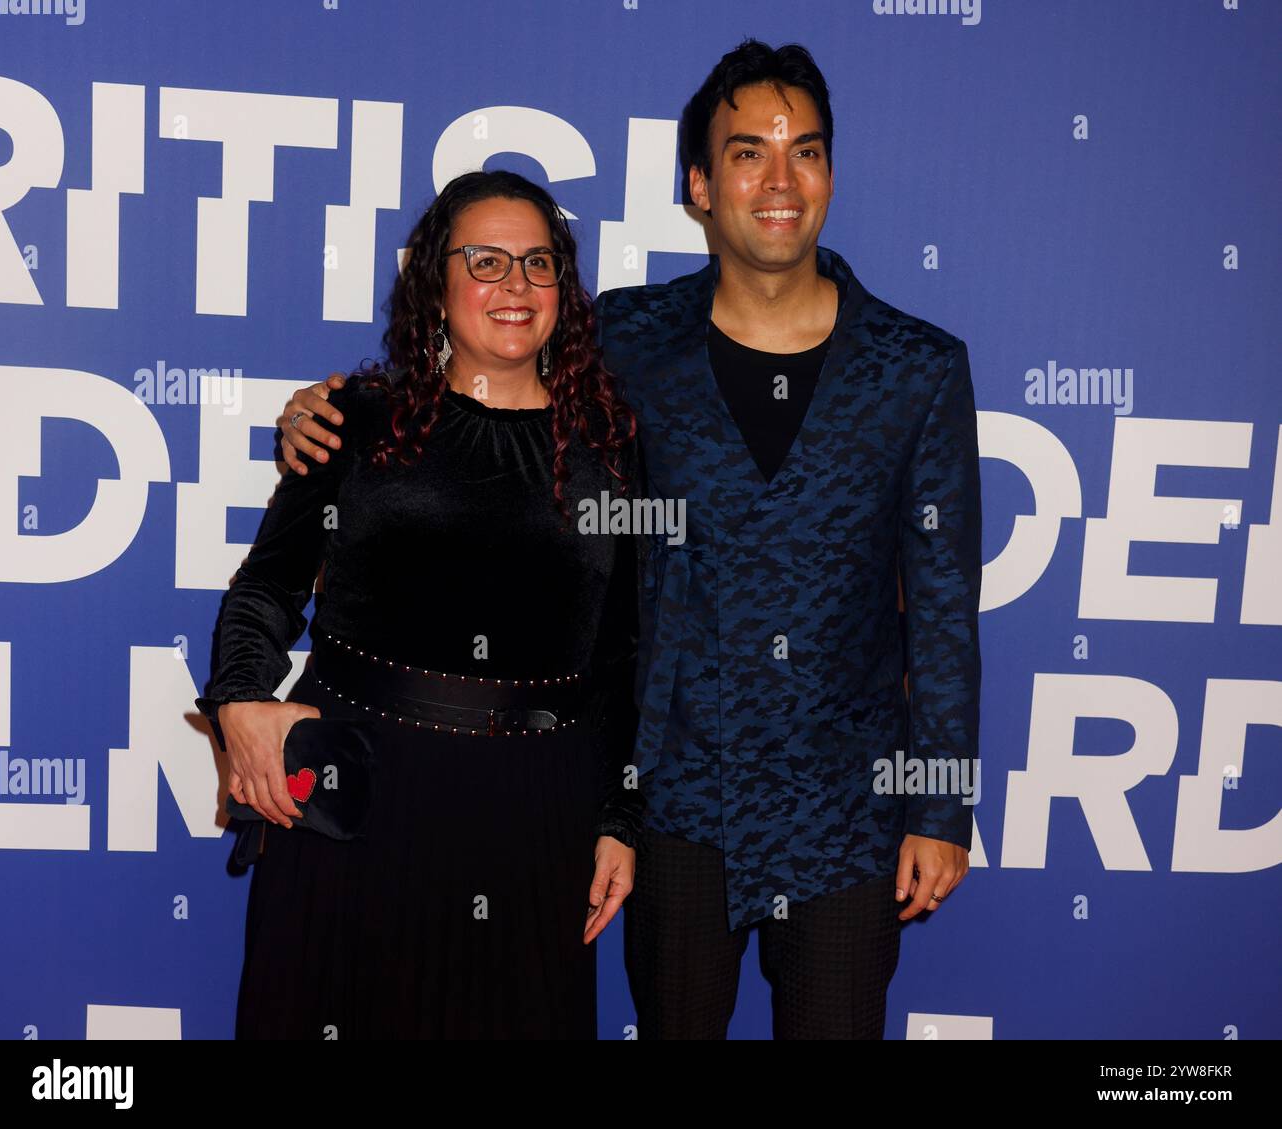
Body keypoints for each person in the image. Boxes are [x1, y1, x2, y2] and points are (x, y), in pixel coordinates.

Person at [277, 40, 982, 1040]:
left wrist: (939, 808)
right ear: (700, 185)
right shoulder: (625, 339)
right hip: (674, 801)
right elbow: (484, 393)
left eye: (806, 152)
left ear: (830, 172)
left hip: (846, 811)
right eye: (747, 153)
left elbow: (945, 607)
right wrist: (326, 412)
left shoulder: (918, 367)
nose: (780, 181)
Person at [196, 169, 646, 1040]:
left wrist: (622, 816)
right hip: (358, 795)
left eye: (539, 263)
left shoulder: (614, 452)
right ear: (435, 283)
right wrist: (240, 700)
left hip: (532, 812)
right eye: (486, 261)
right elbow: (267, 587)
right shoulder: (354, 419)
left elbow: (625, 654)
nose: (516, 284)